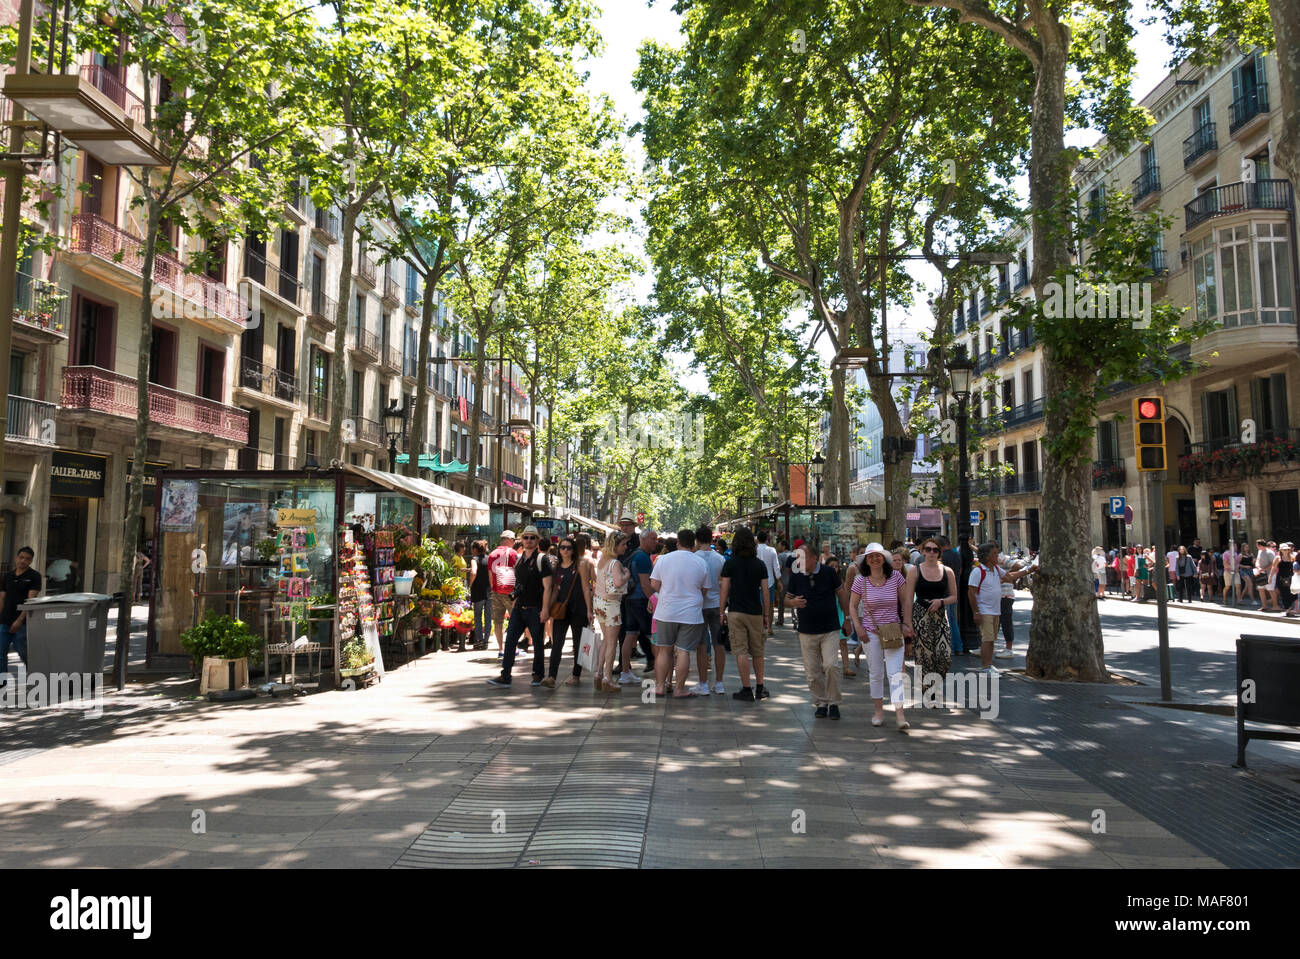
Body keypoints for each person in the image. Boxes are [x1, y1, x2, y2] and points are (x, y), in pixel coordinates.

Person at [850, 543, 912, 731]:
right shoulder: (861, 581)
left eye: (878, 556)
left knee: (896, 674)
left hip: (893, 629)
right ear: (866, 561)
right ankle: (878, 711)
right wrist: (858, 628)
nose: (874, 559)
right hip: (870, 632)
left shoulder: (896, 577)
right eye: (871, 557)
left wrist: (907, 623)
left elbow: (905, 601)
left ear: (884, 559)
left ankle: (900, 715)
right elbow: (852, 606)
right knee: (876, 673)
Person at [785, 539, 848, 719]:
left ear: (813, 558)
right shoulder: (797, 576)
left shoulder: (829, 572)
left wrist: (848, 618)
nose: (798, 562)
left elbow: (842, 593)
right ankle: (820, 702)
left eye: (802, 558)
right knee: (812, 672)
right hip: (806, 630)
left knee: (830, 666)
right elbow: (786, 600)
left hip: (830, 628)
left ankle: (834, 702)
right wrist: (793, 602)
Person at [486, 527, 554, 688]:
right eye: (526, 537)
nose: (529, 540)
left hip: (535, 608)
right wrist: (514, 604)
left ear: (537, 541)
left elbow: (548, 587)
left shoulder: (542, 560)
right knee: (510, 641)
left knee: (537, 643)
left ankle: (538, 675)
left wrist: (545, 609)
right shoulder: (518, 560)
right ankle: (505, 676)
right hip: (519, 608)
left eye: (532, 538)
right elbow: (518, 585)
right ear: (521, 540)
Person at [649, 528, 709, 698]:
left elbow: (654, 584)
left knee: (664, 651)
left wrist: (667, 592)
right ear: (694, 543)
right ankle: (679, 688)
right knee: (683, 652)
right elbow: (705, 589)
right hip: (691, 613)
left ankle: (660, 686)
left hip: (666, 611)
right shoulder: (700, 562)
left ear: (678, 543)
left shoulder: (664, 560)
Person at [720, 526, 771, 702]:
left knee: (740, 651)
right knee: (757, 651)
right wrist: (766, 615)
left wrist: (721, 612)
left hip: (735, 612)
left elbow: (724, 590)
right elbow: (765, 592)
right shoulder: (760, 565)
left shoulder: (730, 563)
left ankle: (746, 689)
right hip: (755, 612)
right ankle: (760, 687)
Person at [968, 542, 1029, 673]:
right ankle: (985, 667)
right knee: (987, 639)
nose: (998, 557)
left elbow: (1010, 576)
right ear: (987, 557)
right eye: (995, 554)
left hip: (995, 610)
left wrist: (1029, 570)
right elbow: (971, 592)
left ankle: (988, 665)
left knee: (991, 640)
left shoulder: (996, 569)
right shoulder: (978, 572)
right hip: (985, 611)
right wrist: (976, 612)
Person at [544, 537, 592, 688]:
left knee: (578, 644)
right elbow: (554, 590)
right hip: (561, 610)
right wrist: (547, 609)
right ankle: (551, 676)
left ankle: (576, 675)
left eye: (568, 548)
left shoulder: (580, 565)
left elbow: (586, 588)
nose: (565, 550)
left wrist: (590, 610)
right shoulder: (556, 567)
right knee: (557, 643)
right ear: (558, 549)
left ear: (573, 550)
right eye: (562, 547)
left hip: (579, 608)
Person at [907, 538, 956, 678]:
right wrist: (908, 623)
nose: (931, 552)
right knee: (924, 659)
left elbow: (954, 596)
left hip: (940, 617)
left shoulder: (947, 571)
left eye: (935, 550)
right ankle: (930, 696)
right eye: (928, 549)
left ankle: (936, 687)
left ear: (939, 553)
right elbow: (908, 599)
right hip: (920, 616)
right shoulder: (914, 571)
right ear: (922, 551)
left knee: (944, 657)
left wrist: (941, 601)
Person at [590, 531, 630, 691]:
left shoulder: (602, 560)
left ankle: (598, 674)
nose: (626, 547)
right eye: (623, 544)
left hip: (599, 602)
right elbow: (619, 582)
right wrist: (627, 574)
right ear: (616, 545)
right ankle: (608, 677)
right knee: (612, 642)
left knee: (606, 640)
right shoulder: (615, 563)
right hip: (611, 605)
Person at [619, 528, 657, 677]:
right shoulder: (642, 558)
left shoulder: (635, 554)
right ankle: (659, 669)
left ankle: (625, 672)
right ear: (644, 539)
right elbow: (645, 584)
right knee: (651, 636)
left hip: (629, 599)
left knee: (631, 634)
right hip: (640, 601)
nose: (656, 542)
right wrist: (655, 602)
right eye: (653, 539)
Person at [695, 524, 728, 694]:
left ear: (697, 540)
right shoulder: (720, 559)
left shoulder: (694, 558)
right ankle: (719, 682)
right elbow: (724, 584)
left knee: (701, 645)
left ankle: (703, 683)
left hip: (699, 606)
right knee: (719, 644)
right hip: (717, 605)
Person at [1, 546, 40, 683]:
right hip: (4, 621)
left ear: (30, 561)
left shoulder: (34, 577)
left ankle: (37, 674)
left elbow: (30, 601)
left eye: (27, 559)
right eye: (21, 557)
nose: (23, 561)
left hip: (22, 622)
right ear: (16, 558)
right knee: (0, 652)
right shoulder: (7, 576)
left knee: (23, 651)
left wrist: (19, 620)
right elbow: (2, 598)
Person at [486, 530, 519, 656]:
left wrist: (494, 588)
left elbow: (490, 574)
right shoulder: (513, 553)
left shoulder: (492, 554)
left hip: (496, 590)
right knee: (515, 620)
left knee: (498, 621)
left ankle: (500, 649)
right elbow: (518, 573)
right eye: (514, 540)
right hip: (511, 592)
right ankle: (513, 648)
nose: (514, 542)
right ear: (509, 540)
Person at [756, 530, 781, 637]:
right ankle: (770, 627)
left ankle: (761, 627)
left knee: (758, 605)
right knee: (770, 605)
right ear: (767, 539)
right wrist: (779, 580)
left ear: (757, 539)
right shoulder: (772, 550)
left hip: (756, 582)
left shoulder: (754, 550)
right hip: (769, 581)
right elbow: (776, 566)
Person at [468, 540, 491, 649]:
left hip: (478, 591)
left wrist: (470, 584)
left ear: (475, 549)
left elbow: (473, 572)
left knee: (477, 616)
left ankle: (479, 640)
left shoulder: (474, 559)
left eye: (472, 549)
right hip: (489, 591)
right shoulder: (489, 559)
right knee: (488, 617)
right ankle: (486, 641)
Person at [1256, 539, 1280, 611]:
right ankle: (1264, 606)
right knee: (1261, 589)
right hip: (1261, 573)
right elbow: (1257, 560)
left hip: (1270, 574)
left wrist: (1265, 569)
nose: (1256, 546)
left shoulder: (1270, 552)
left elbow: (1273, 563)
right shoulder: (1259, 551)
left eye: (1257, 545)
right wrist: (1258, 566)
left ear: (1260, 545)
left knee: (1271, 590)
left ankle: (1275, 606)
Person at [775, 539, 793, 627]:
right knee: (793, 600)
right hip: (793, 582)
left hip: (783, 582)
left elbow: (779, 568)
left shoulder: (781, 556)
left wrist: (778, 580)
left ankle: (780, 620)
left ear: (784, 546)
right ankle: (795, 619)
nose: (778, 547)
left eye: (779, 545)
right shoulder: (793, 554)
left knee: (781, 601)